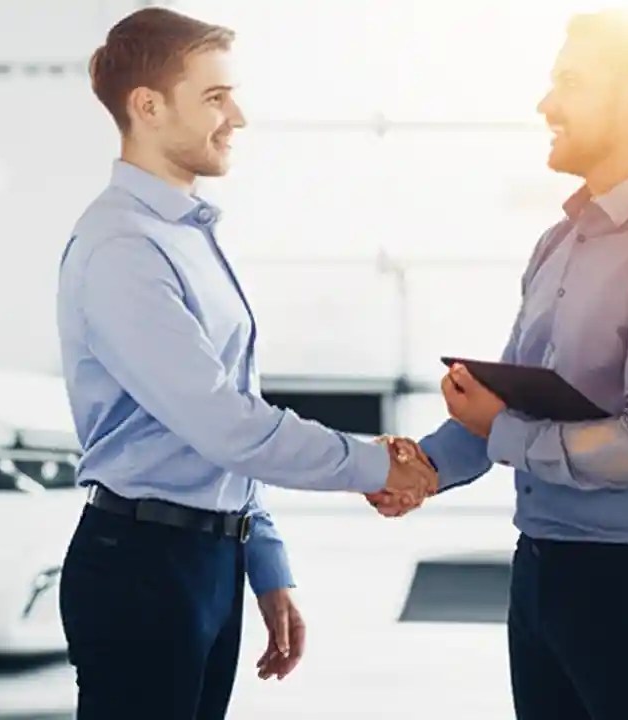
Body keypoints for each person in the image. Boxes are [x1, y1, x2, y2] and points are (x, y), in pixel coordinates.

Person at [54, 7, 437, 719]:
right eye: (215, 97)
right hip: (144, 566)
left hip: (203, 560)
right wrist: (381, 465)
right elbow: (228, 425)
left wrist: (263, 560)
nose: (239, 115)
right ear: (147, 106)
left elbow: (222, 424)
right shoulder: (124, 250)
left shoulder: (187, 234)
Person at [375, 9, 628, 720]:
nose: (545, 103)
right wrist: (420, 469)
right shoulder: (560, 241)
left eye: (570, 82)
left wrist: (500, 430)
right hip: (542, 571)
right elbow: (503, 406)